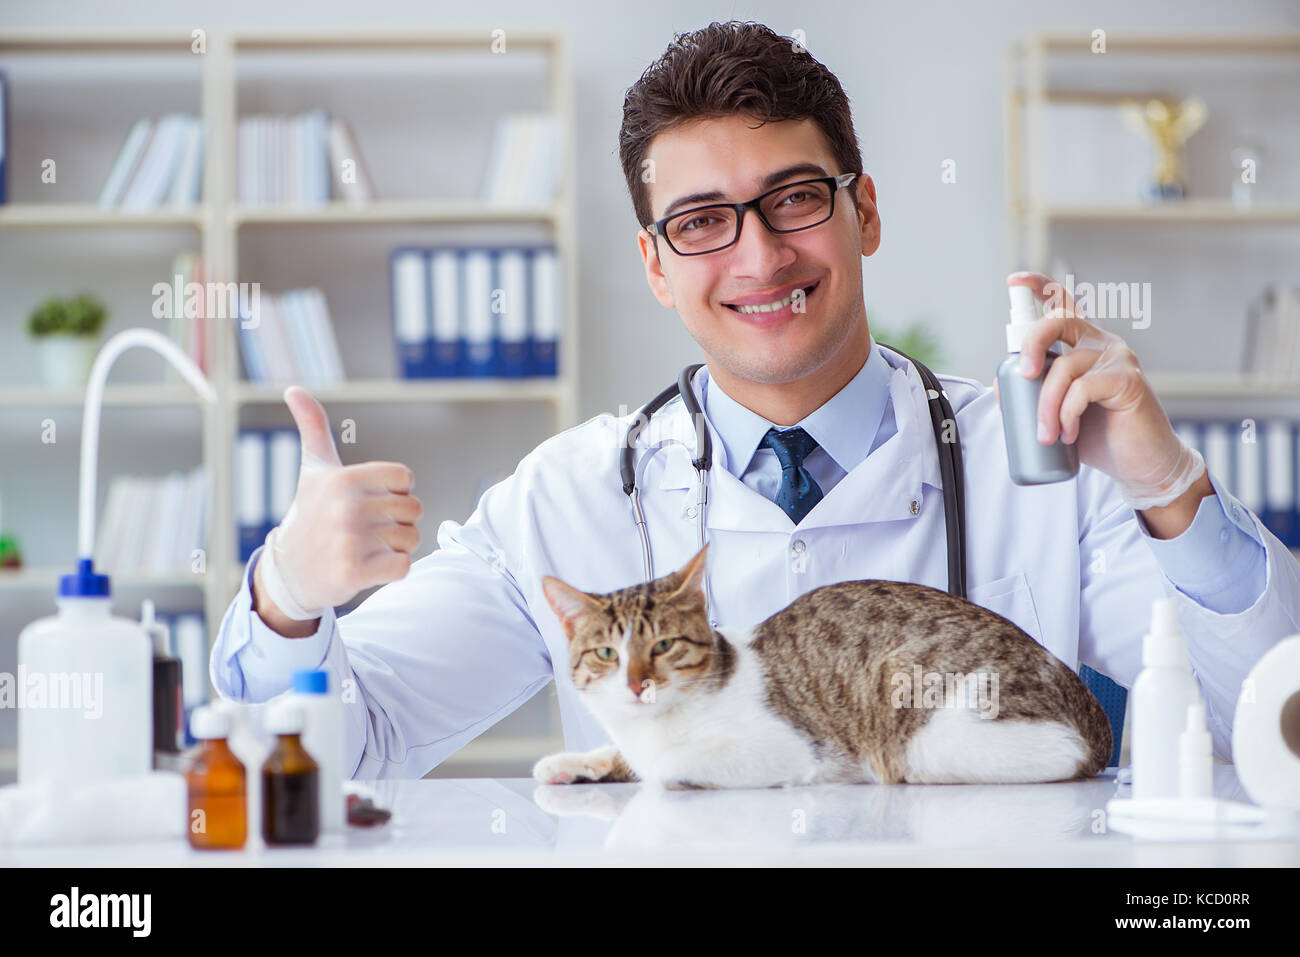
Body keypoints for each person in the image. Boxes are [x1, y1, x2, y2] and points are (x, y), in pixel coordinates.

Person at [212, 21, 1299, 779]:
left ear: (863, 211)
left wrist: (1171, 489)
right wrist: (289, 601)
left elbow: (1264, 734)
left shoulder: (1052, 468)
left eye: (792, 198)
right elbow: (352, 748)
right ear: (654, 262)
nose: (760, 256)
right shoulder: (567, 497)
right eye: (700, 222)